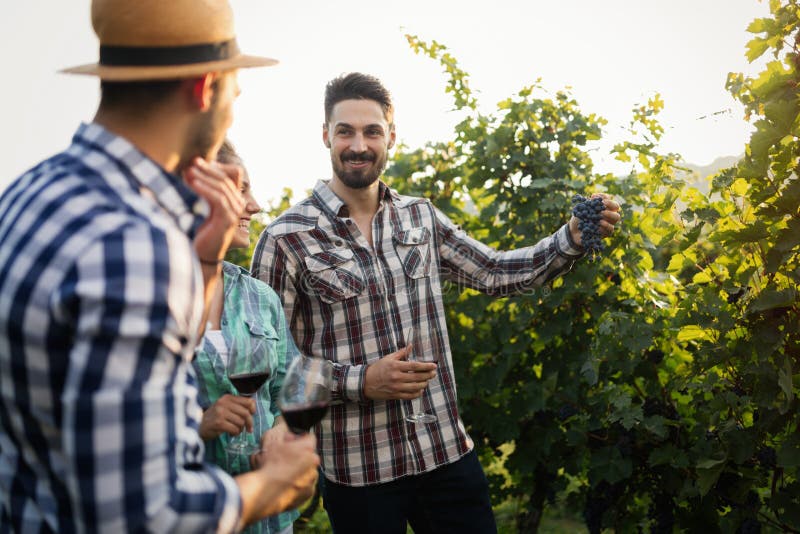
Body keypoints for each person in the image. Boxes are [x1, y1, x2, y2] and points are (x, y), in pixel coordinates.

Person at [251, 72, 622, 533]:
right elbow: (267, 365)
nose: (358, 144)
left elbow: (493, 272)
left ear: (391, 136)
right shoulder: (285, 239)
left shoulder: (419, 216)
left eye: (372, 131)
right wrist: (361, 381)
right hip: (358, 472)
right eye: (345, 131)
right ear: (326, 135)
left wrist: (571, 238)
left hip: (445, 454)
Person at [0, 1, 318, 531]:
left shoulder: (27, 194)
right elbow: (143, 515)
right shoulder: (138, 244)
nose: (233, 108)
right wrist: (270, 488)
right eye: (235, 92)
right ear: (204, 87)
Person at [194, 139, 301, 534]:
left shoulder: (259, 297)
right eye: (240, 189)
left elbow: (290, 389)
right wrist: (198, 426)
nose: (254, 205)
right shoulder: (153, 300)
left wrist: (279, 431)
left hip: (268, 519)